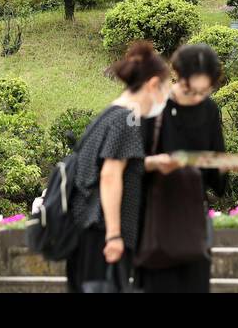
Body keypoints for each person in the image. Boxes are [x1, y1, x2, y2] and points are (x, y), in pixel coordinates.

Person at [65, 40, 170, 293]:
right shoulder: (128, 119)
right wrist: (114, 236)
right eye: (166, 90)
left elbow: (116, 165)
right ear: (153, 85)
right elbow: (110, 176)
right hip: (101, 232)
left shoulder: (110, 115)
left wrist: (152, 163)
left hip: (87, 230)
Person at [137, 42, 228, 294]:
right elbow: (128, 163)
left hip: (191, 221)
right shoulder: (154, 106)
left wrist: (227, 166)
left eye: (204, 91)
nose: (197, 97)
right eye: (190, 90)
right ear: (179, 77)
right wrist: (155, 163)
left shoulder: (209, 109)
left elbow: (216, 179)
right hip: (155, 219)